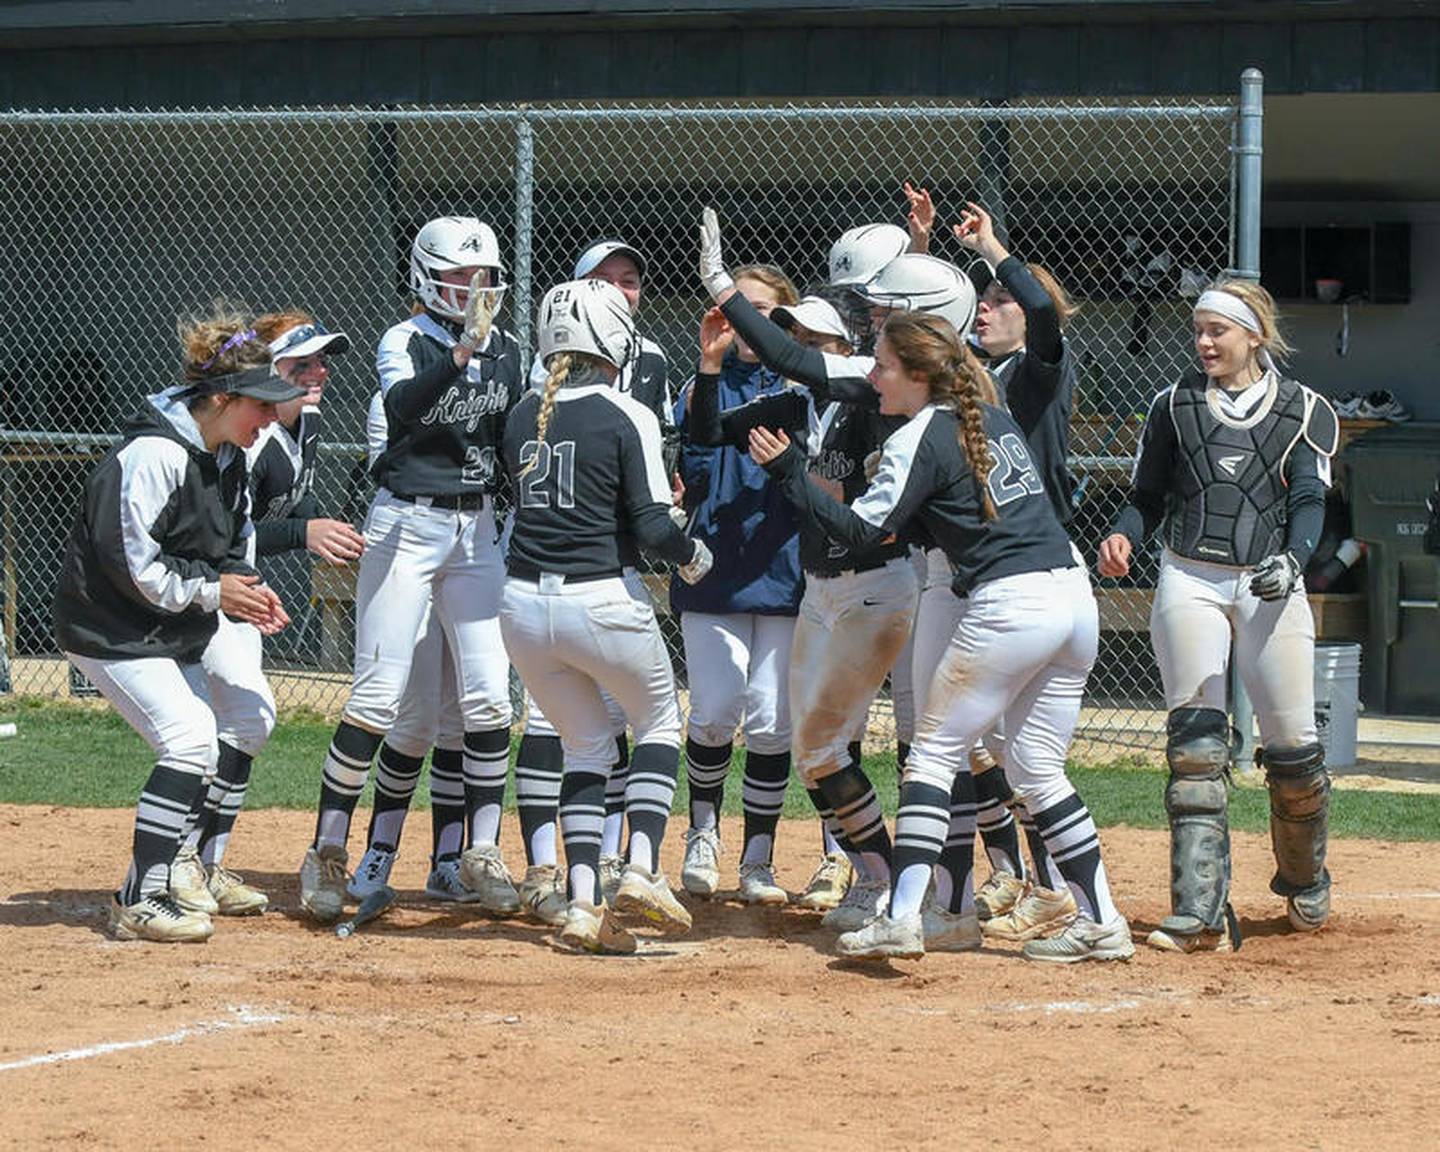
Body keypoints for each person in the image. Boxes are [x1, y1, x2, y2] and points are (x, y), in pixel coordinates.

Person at [751, 311, 1134, 964]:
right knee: (1037, 768)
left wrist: (791, 472)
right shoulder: (989, 415)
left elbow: (863, 535)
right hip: (1072, 597)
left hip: (1012, 602)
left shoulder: (919, 435)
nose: (873, 377)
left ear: (921, 374)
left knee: (932, 754)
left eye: (884, 366)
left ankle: (903, 917)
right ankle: (1102, 921)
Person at [1097, 278, 1338, 953]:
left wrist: (1293, 560)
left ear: (1253, 335)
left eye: (1218, 331)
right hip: (1190, 574)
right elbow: (1145, 495)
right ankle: (1200, 910)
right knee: (1196, 747)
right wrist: (1123, 535)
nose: (1204, 342)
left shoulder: (1303, 408)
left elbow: (1311, 499)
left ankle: (1303, 874)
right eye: (1198, 330)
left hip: (1268, 582)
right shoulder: (1173, 405)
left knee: (1292, 750)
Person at [299, 216, 523, 923]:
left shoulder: (509, 350)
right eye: (461, 275)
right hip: (408, 521)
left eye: (483, 276)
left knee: (490, 701)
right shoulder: (408, 339)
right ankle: (327, 851)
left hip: (477, 525)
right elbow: (403, 409)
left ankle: (477, 853)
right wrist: (461, 353)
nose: (474, 289)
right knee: (378, 699)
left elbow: (513, 437)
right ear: (427, 276)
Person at [54, 307, 301, 942]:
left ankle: (187, 866)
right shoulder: (153, 456)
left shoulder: (226, 453)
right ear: (221, 397)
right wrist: (212, 592)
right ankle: (141, 897)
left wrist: (244, 588)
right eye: (261, 404)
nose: (271, 418)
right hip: (111, 626)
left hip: (169, 621)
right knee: (190, 738)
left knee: (242, 722)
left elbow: (234, 536)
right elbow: (132, 567)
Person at [499, 278, 712, 954]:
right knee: (656, 723)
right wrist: (693, 555)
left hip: (523, 608)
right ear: (613, 337)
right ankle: (643, 867)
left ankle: (583, 904)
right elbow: (651, 523)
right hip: (600, 599)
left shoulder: (521, 412)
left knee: (585, 748)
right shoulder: (627, 413)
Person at [673, 262, 806, 905]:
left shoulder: (804, 384)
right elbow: (693, 471)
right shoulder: (706, 382)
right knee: (716, 711)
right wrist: (708, 367)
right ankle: (703, 833)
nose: (748, 323)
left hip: (784, 567)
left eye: (764, 312)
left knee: (774, 720)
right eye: (737, 309)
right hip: (714, 565)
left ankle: (759, 858)